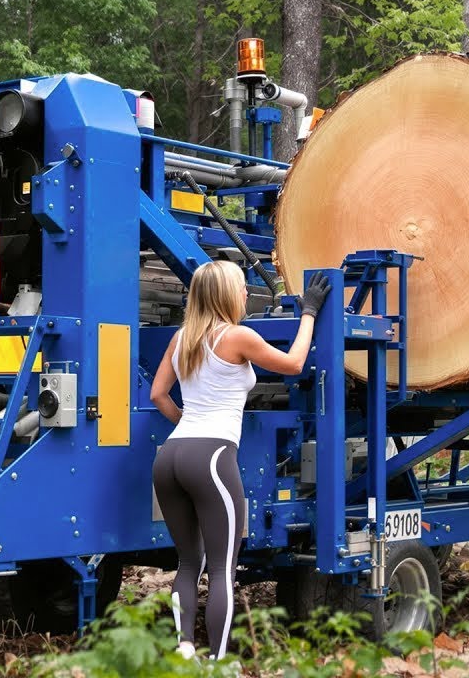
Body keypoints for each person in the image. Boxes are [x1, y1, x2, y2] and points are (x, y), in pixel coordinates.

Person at [149, 261, 332, 660]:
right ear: (225, 295)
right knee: (221, 569)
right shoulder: (236, 337)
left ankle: (184, 649)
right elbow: (295, 364)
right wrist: (309, 312)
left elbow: (158, 395)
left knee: (187, 561)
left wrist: (189, 425)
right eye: (241, 287)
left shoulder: (181, 339)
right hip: (211, 456)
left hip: (172, 456)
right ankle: (217, 662)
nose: (247, 293)